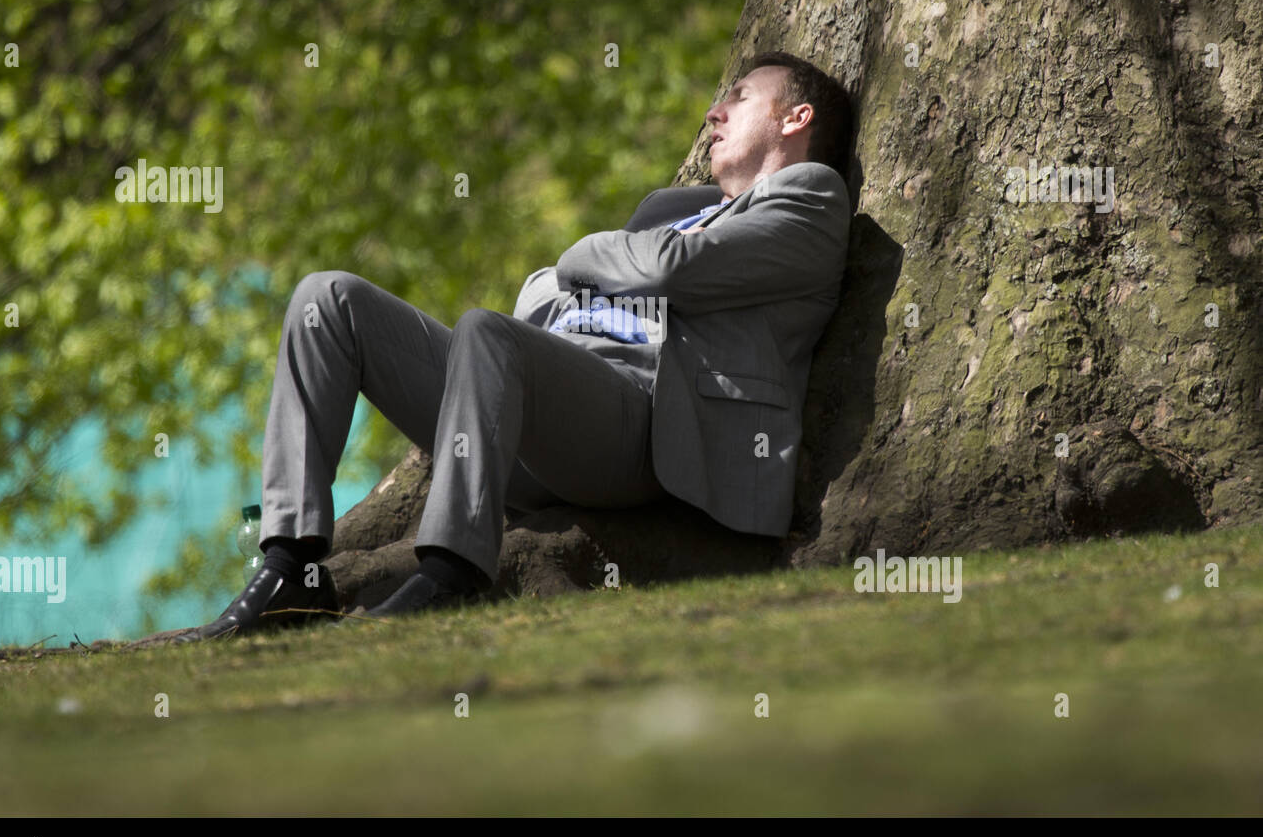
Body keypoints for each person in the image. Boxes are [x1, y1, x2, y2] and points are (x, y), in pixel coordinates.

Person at [174, 50, 856, 642]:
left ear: (794, 120)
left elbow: (668, 269)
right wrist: (598, 270)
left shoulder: (810, 199)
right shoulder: (667, 213)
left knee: (485, 328)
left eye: (738, 98)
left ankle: (451, 572)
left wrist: (586, 255)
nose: (713, 111)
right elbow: (543, 295)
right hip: (532, 411)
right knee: (327, 301)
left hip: (648, 433)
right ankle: (293, 565)